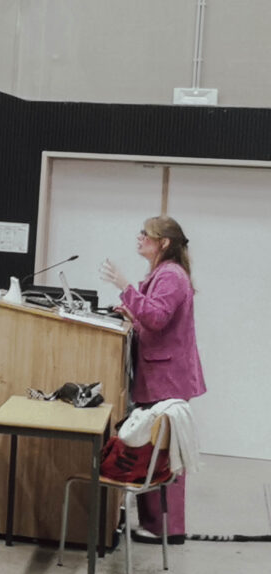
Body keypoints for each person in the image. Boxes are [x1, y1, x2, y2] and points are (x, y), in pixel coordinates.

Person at [98, 215, 206, 543]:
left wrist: (125, 287)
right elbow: (152, 316)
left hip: (167, 376)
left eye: (147, 234)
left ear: (164, 243)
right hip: (160, 373)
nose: (140, 237)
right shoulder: (162, 273)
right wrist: (130, 310)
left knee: (163, 450)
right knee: (154, 448)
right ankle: (156, 524)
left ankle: (166, 529)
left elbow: (157, 319)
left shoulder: (171, 275)